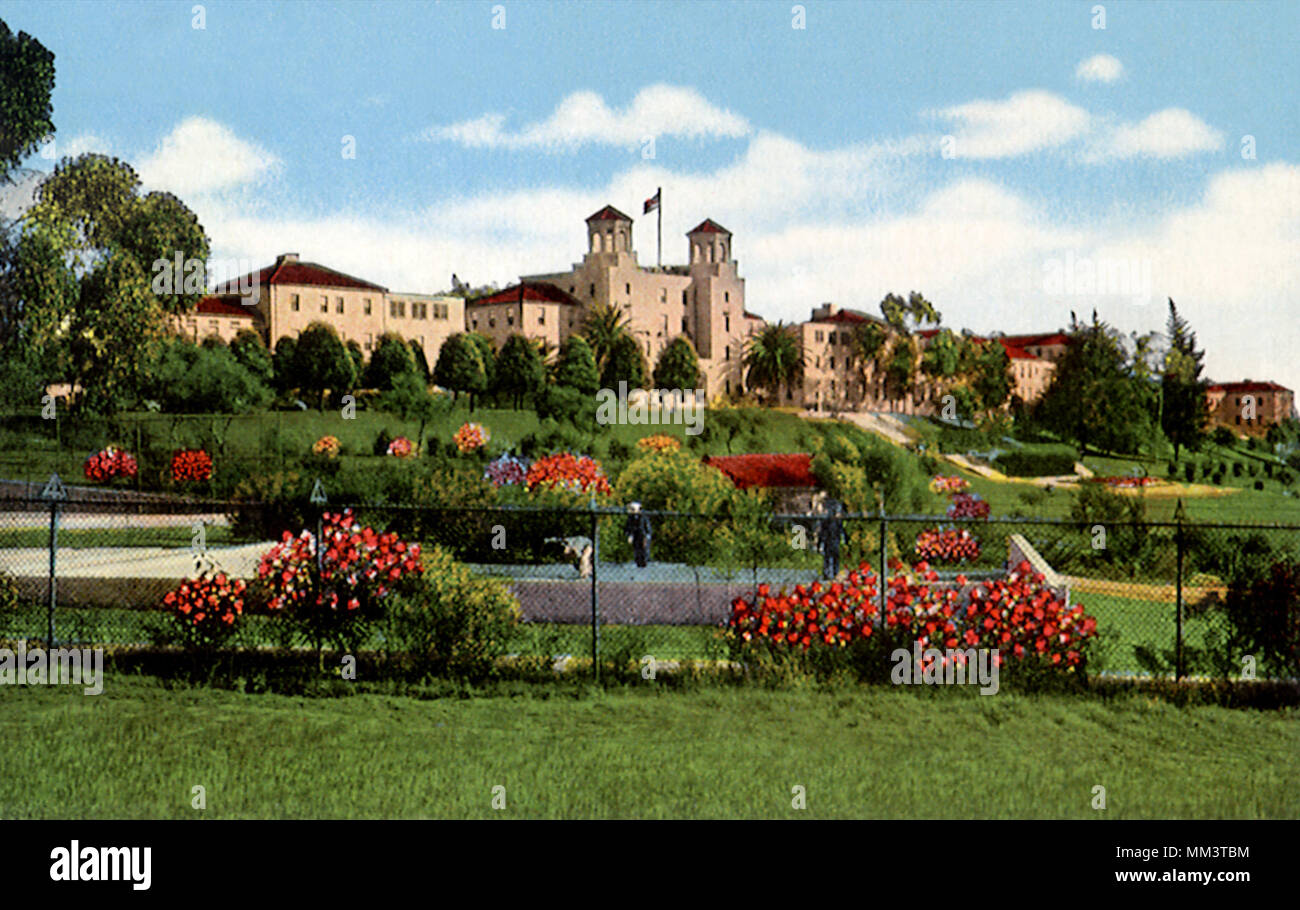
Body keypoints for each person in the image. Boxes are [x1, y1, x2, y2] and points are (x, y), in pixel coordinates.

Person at [818, 498, 847, 579]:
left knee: (833, 557)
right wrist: (820, 543)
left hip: (834, 540)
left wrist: (844, 540)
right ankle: (828, 573)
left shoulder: (836, 521)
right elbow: (822, 533)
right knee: (828, 557)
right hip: (830, 540)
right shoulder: (827, 521)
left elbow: (841, 530)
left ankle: (833, 573)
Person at [625, 502, 652, 568]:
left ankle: (644, 562)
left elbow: (647, 528)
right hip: (636, 536)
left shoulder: (643, 516)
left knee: (644, 550)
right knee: (637, 550)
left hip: (643, 535)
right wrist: (630, 535)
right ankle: (638, 562)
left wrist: (647, 536)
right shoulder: (631, 518)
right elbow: (629, 527)